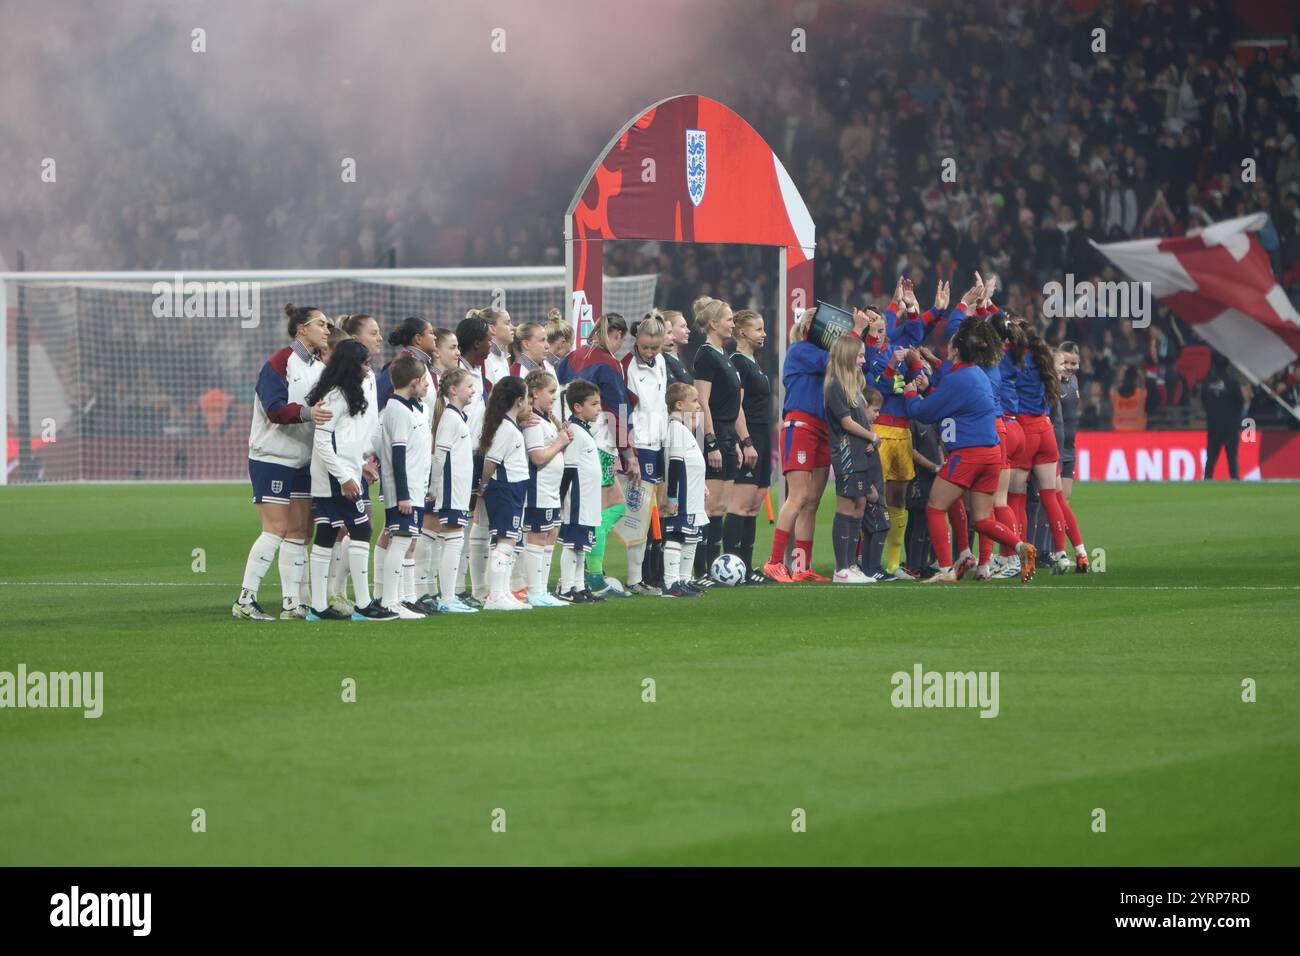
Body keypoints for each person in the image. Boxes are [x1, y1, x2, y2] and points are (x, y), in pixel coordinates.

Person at [902, 321, 1037, 584]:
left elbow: (923, 412)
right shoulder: (976, 374)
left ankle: (945, 571)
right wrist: (929, 389)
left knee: (934, 507)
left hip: (968, 454)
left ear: (955, 351)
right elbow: (953, 404)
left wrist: (910, 394)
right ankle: (1022, 547)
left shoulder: (959, 378)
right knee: (983, 519)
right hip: (991, 454)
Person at [235, 303, 330, 621]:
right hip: (272, 457)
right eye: (321, 323)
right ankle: (245, 600)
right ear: (302, 328)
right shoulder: (279, 362)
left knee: (299, 531)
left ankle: (292, 603)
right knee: (275, 529)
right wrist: (308, 413)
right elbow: (274, 409)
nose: (327, 329)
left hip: (302, 461)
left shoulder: (318, 369)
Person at [765, 306, 869, 582]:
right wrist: (856, 332)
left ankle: (802, 566)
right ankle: (774, 562)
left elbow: (850, 364)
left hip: (822, 430)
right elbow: (839, 361)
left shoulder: (821, 354)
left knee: (811, 502)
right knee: (797, 497)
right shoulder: (800, 350)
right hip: (800, 426)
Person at [305, 339, 396, 620]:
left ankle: (318, 607)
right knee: (361, 530)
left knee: (327, 533)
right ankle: (363, 604)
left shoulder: (346, 391)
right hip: (335, 478)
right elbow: (322, 443)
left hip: (341, 473)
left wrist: (359, 465)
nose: (369, 369)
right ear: (351, 365)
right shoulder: (333, 396)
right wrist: (345, 477)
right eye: (365, 364)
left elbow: (344, 441)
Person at [556, 312, 638, 597]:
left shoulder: (572, 357)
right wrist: (628, 452)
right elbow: (619, 409)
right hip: (600, 444)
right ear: (616, 335)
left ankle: (584, 575)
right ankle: (593, 576)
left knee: (594, 508)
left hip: (572, 438)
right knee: (606, 508)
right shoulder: (609, 363)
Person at [690, 296, 757, 585]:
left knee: (721, 508)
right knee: (710, 507)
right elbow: (702, 401)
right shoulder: (705, 355)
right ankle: (701, 571)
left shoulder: (724, 356)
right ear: (714, 323)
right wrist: (711, 441)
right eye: (729, 319)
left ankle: (713, 569)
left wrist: (744, 441)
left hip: (730, 435)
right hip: (715, 432)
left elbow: (736, 406)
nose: (733, 324)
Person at [378, 355, 434, 619]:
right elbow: (397, 455)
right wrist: (403, 494)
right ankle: (390, 601)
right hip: (404, 491)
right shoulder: (396, 410)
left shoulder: (411, 408)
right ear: (414, 382)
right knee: (399, 543)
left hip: (415, 489)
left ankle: (399, 599)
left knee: (406, 542)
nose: (426, 385)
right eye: (424, 380)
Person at [824, 335, 879, 583]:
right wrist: (872, 436)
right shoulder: (835, 385)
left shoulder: (853, 386)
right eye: (859, 355)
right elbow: (846, 422)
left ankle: (851, 565)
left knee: (859, 505)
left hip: (861, 453)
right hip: (847, 455)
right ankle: (841, 568)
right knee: (846, 507)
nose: (863, 360)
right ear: (847, 356)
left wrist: (868, 441)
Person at [621, 313, 669, 595]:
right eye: (645, 347)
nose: (649, 352)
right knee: (637, 513)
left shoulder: (661, 362)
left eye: (655, 347)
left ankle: (651, 574)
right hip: (639, 447)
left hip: (658, 444)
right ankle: (634, 579)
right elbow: (624, 411)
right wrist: (630, 452)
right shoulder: (627, 366)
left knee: (657, 512)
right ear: (636, 338)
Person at [478, 376, 532, 611]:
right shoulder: (506, 428)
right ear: (520, 401)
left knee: (509, 541)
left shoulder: (510, 425)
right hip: (505, 488)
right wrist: (483, 485)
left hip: (515, 487)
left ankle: (503, 592)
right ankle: (496, 596)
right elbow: (491, 461)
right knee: (505, 540)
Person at [728, 309, 773, 583]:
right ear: (742, 332)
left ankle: (746, 565)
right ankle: (731, 564)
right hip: (750, 436)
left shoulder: (753, 362)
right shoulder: (738, 363)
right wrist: (745, 442)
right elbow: (737, 407)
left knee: (754, 506)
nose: (764, 334)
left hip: (763, 435)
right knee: (740, 505)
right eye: (758, 329)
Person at [521, 370, 573, 607]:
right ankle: (533, 590)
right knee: (537, 536)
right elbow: (538, 457)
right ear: (535, 393)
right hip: (538, 487)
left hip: (552, 489)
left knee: (550, 535)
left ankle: (542, 589)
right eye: (551, 392)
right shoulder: (532, 421)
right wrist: (560, 442)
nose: (554, 397)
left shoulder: (547, 420)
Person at [430, 369, 477, 613]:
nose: (473, 390)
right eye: (468, 386)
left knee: (454, 540)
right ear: (453, 390)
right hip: (450, 489)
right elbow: (439, 455)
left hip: (458, 488)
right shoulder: (450, 417)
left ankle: (449, 596)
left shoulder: (458, 417)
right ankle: (447, 598)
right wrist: (434, 487)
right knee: (453, 540)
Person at [556, 379, 605, 603]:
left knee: (582, 546)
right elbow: (569, 468)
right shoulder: (574, 431)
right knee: (572, 544)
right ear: (578, 407)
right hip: (578, 498)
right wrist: (561, 498)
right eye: (594, 404)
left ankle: (579, 586)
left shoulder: (583, 430)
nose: (598, 409)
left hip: (588, 498)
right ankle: (566, 588)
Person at [662, 382, 708, 598]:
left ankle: (684, 580)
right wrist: (672, 496)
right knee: (677, 535)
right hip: (682, 496)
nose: (699, 406)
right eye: (694, 401)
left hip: (693, 494)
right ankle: (671, 584)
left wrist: (703, 485)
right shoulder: (675, 428)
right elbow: (676, 464)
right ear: (679, 405)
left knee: (691, 537)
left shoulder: (683, 429)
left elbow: (690, 464)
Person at [857, 388, 889, 581]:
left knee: (871, 528)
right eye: (875, 410)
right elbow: (862, 462)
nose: (878, 415)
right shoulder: (863, 434)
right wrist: (869, 487)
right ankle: (873, 567)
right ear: (864, 407)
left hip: (876, 486)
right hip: (872, 489)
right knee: (882, 526)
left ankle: (868, 567)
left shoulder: (869, 432)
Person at [1201, 352, 1245, 480]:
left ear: (1214, 364)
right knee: (1232, 457)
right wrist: (1232, 417)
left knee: (1211, 459)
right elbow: (1240, 403)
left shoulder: (1207, 383)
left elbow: (1204, 401)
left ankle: (1207, 481)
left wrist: (1213, 414)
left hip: (1214, 425)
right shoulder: (1233, 383)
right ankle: (1235, 481)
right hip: (1230, 427)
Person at [481, 307, 516, 388]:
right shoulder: (485, 359)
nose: (513, 327)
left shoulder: (503, 358)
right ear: (492, 329)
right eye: (507, 323)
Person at [661, 309, 694, 388]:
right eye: (683, 326)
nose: (688, 331)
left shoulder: (679, 358)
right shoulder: (663, 360)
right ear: (669, 329)